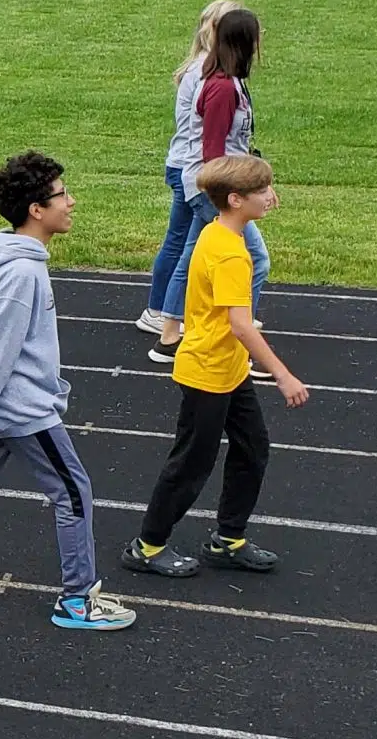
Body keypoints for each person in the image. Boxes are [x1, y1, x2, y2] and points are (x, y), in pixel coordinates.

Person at [0, 153, 135, 632]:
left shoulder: (19, 262)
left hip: (4, 405)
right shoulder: (21, 274)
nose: (71, 201)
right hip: (21, 410)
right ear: (37, 209)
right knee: (73, 491)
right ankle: (77, 602)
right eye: (63, 194)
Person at [122, 155, 311, 578]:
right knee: (191, 462)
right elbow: (241, 325)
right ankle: (147, 547)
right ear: (235, 199)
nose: (271, 196)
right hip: (208, 370)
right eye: (262, 191)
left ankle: (229, 540)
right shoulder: (229, 255)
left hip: (228, 369)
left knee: (252, 448)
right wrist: (283, 374)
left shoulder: (217, 230)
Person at [151, 8, 270, 360]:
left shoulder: (226, 80)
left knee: (191, 255)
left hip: (215, 185)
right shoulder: (221, 88)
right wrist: (228, 196)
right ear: (244, 42)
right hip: (214, 188)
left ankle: (170, 336)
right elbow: (213, 152)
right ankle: (234, 336)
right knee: (255, 260)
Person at [140, 0, 245, 335]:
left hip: (185, 164)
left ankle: (161, 310)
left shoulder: (200, 66)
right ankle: (169, 314)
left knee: (179, 241)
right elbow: (207, 134)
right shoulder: (207, 71)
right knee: (186, 246)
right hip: (195, 169)